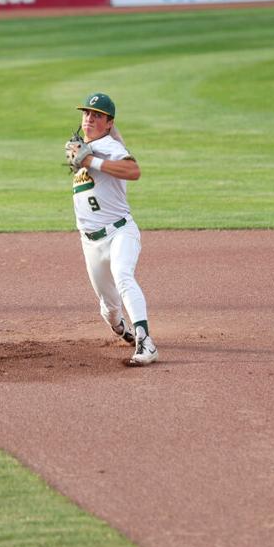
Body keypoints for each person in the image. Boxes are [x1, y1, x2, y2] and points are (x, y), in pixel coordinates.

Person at [66, 92, 157, 366]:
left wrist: (90, 161)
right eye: (86, 114)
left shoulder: (109, 147)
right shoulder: (85, 147)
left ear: (109, 123)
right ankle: (122, 330)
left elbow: (134, 171)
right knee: (109, 309)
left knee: (123, 275)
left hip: (120, 232)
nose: (89, 118)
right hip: (90, 243)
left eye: (97, 115)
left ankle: (146, 341)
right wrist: (85, 155)